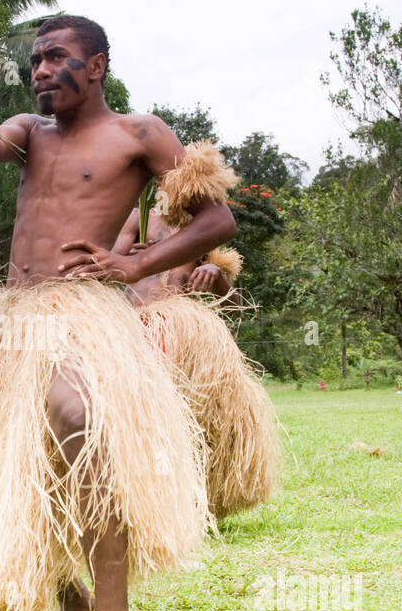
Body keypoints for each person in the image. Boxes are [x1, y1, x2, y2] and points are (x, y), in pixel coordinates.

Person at [0, 14, 239, 611]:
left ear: (96, 65)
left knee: (80, 421)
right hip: (11, 319)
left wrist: (134, 263)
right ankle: (65, 585)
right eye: (35, 59)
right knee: (23, 459)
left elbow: (216, 223)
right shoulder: (29, 134)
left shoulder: (139, 134)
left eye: (56, 57)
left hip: (83, 314)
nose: (40, 70)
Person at [113, 207, 281, 518]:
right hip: (130, 328)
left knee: (179, 418)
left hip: (178, 337)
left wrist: (218, 278)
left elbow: (236, 308)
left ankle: (186, 500)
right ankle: (137, 500)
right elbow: (104, 269)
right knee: (133, 418)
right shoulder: (138, 217)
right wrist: (128, 261)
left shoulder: (204, 227)